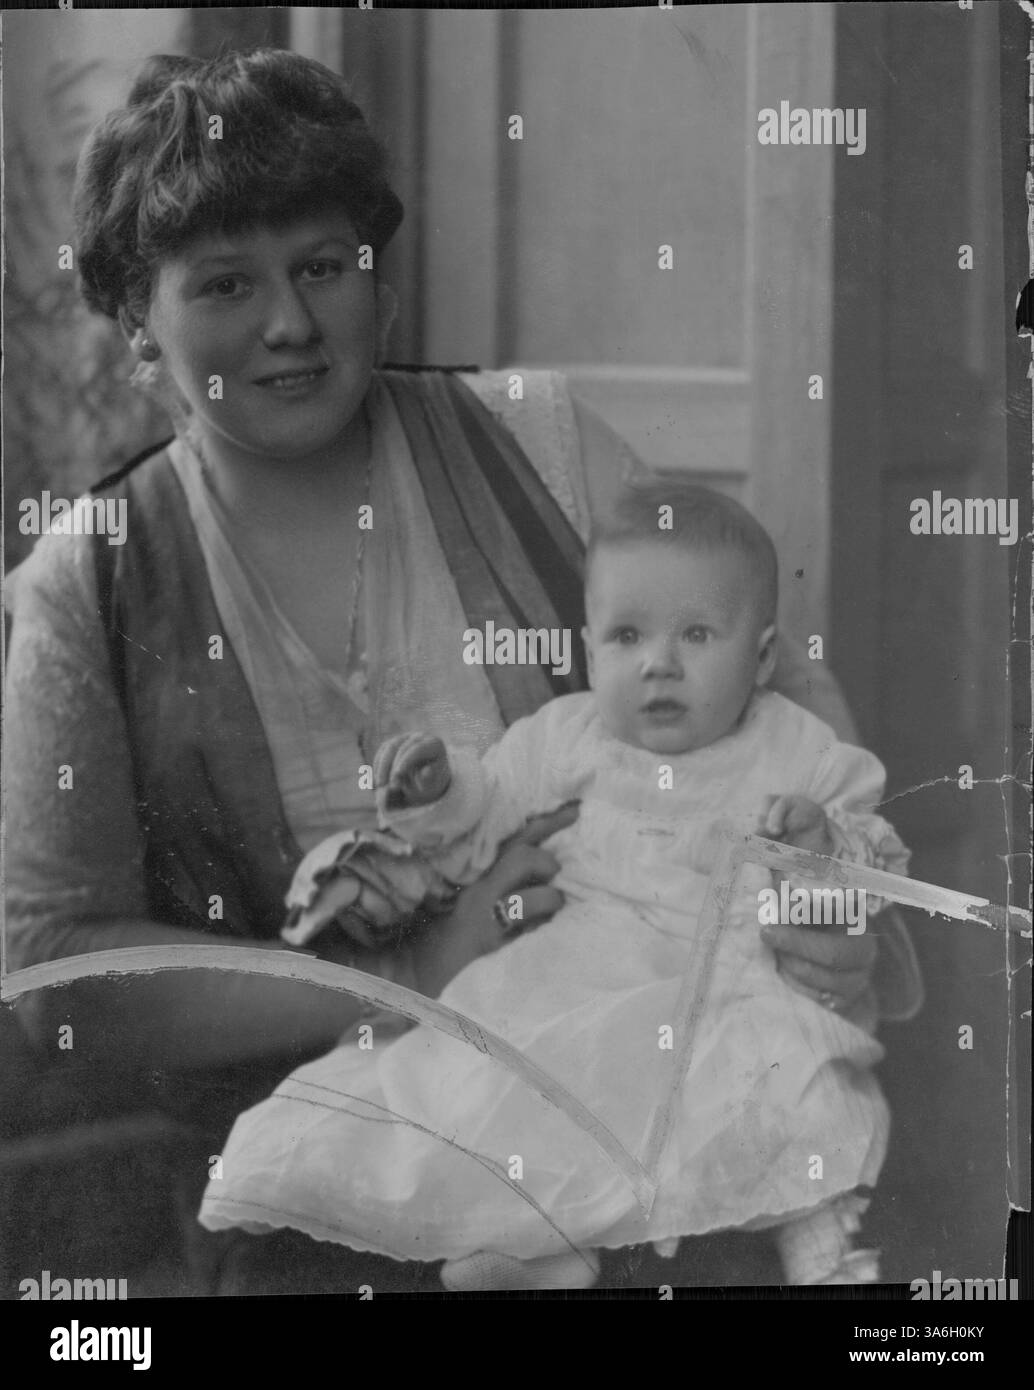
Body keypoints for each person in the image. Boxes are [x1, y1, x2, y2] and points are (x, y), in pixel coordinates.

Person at [3, 48, 920, 1294]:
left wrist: (832, 925)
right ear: (132, 330)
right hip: (316, 1204)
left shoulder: (542, 440)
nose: (289, 321)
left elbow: (785, 719)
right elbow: (58, 970)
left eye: (322, 265)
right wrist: (399, 982)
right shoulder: (90, 576)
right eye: (225, 283)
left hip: (657, 1129)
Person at [198, 480, 910, 1290]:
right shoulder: (570, 736)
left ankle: (825, 1251)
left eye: (698, 635)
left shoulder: (796, 748)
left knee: (794, 1078)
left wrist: (818, 845)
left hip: (726, 980)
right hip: (581, 967)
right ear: (590, 650)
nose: (659, 665)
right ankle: (522, 1246)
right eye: (627, 636)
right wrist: (437, 789)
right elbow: (490, 804)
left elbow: (867, 857)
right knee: (501, 1083)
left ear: (762, 656)